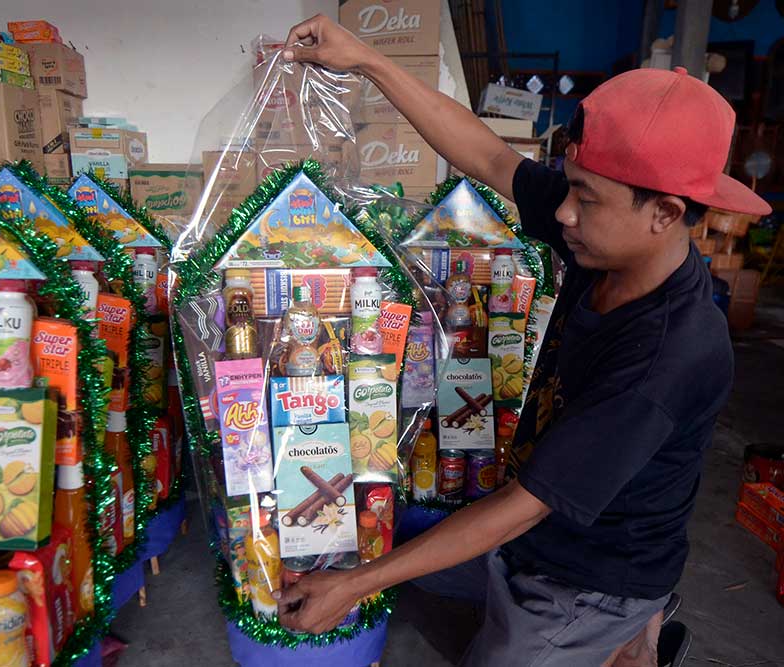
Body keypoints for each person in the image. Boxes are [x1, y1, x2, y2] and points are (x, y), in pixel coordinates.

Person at [274, 14, 771, 666]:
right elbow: (488, 157)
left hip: (590, 571)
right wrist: (367, 59)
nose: (561, 213)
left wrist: (352, 586)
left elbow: (525, 505)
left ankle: (629, 631)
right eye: (572, 188)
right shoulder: (603, 225)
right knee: (402, 560)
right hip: (541, 521)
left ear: (666, 213)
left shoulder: (670, 354)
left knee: (444, 614)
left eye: (586, 199)